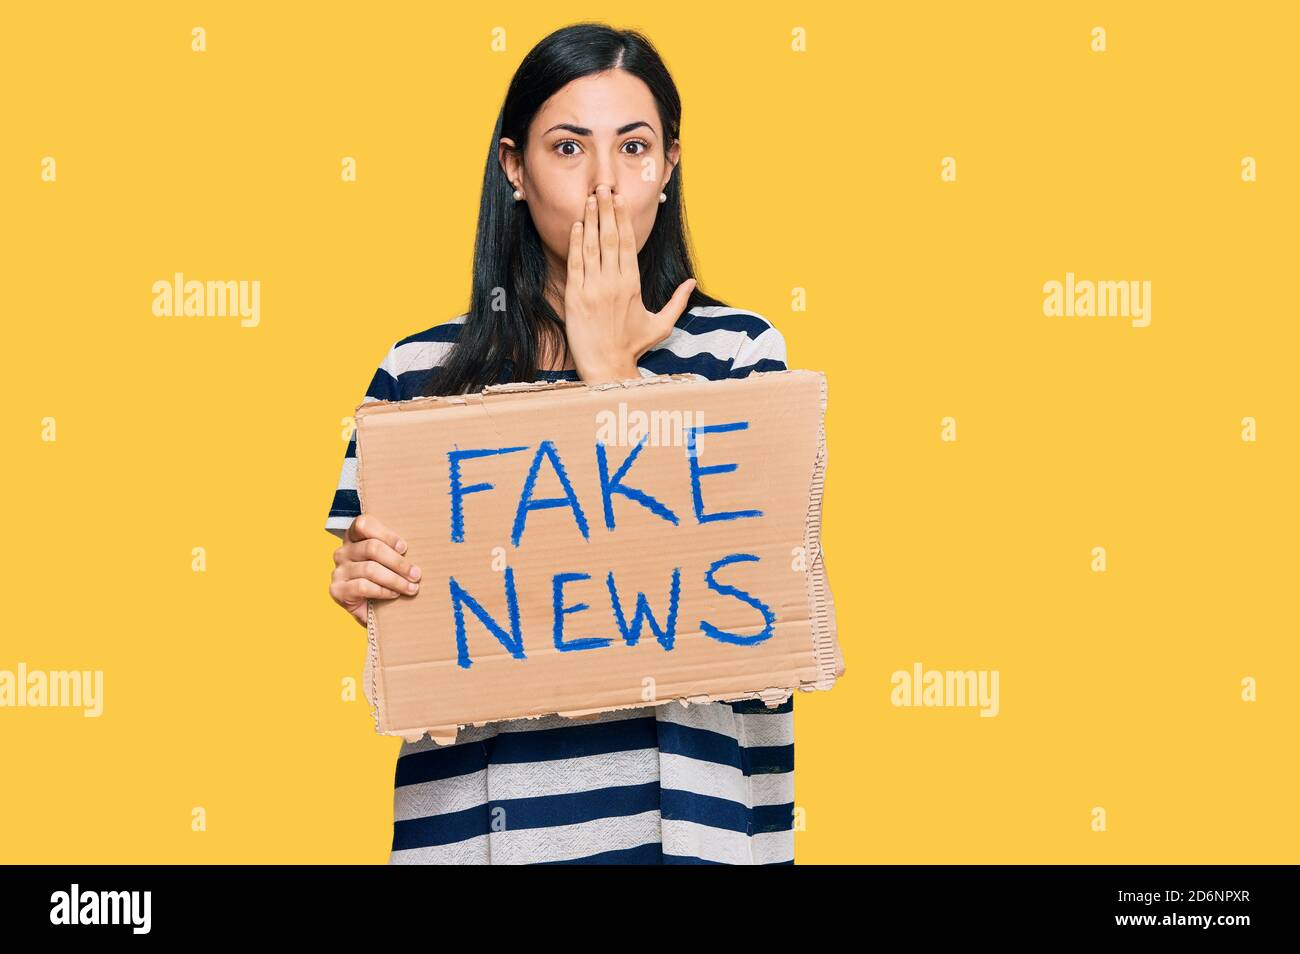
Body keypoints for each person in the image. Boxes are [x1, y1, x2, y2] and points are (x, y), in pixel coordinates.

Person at [325, 22, 792, 864]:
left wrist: (611, 368)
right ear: (514, 168)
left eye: (636, 147)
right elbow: (423, 631)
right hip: (479, 830)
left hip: (684, 830)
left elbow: (755, 612)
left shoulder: (742, 358)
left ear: (670, 167)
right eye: (568, 147)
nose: (606, 184)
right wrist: (373, 583)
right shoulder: (416, 373)